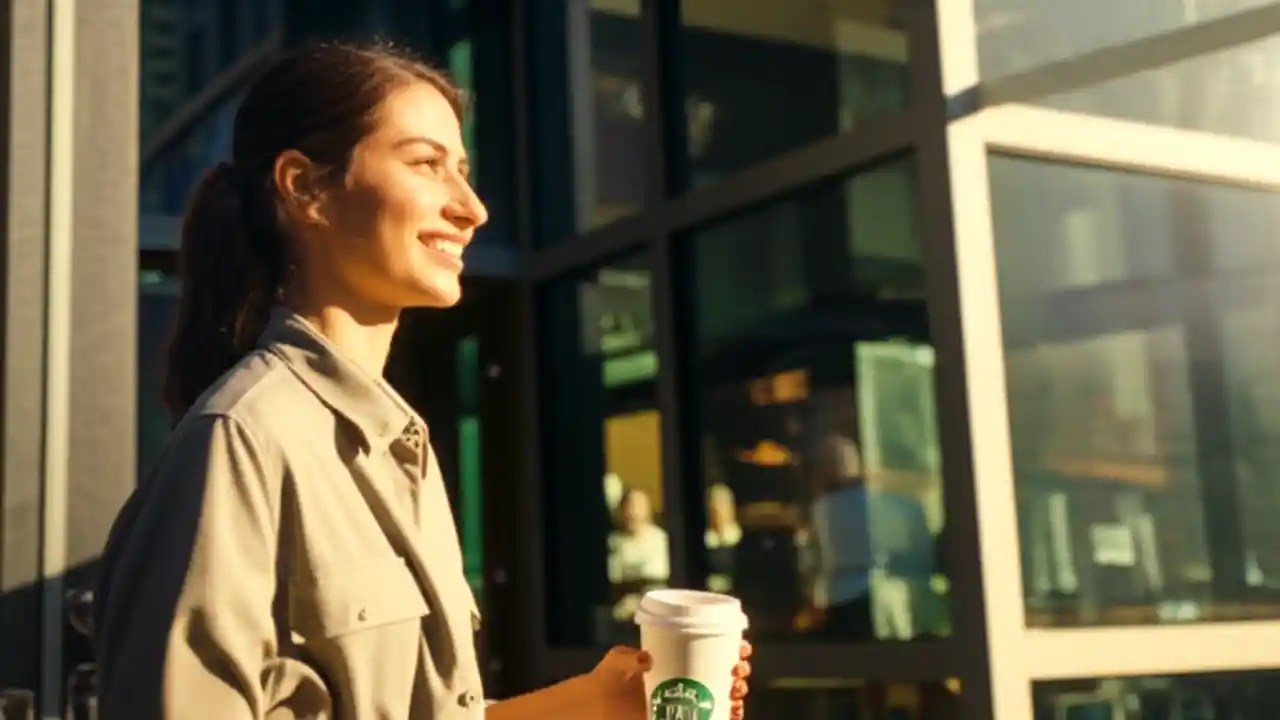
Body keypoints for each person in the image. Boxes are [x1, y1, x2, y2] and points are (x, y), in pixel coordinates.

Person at [93, 41, 751, 720]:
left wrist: (594, 707)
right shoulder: (242, 441)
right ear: (306, 188)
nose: (472, 208)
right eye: (426, 165)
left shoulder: (400, 446)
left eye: (461, 170)